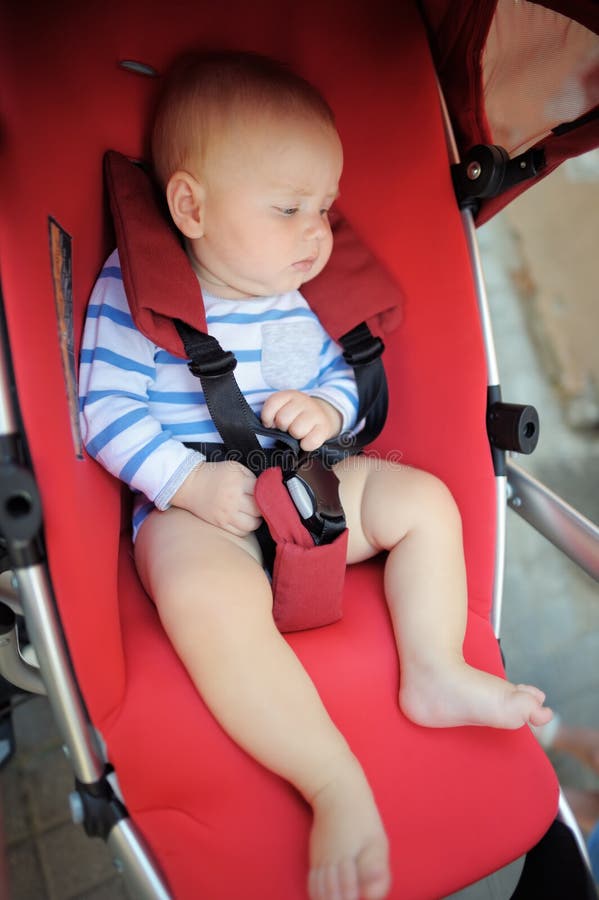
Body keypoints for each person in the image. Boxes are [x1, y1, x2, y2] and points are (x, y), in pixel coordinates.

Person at [79, 51, 553, 900]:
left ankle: (434, 668)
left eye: (326, 208)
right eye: (289, 208)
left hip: (313, 485)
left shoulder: (305, 289)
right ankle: (329, 777)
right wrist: (186, 486)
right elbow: (105, 413)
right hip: (199, 509)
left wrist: (328, 412)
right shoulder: (137, 289)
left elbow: (343, 374)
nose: (315, 232)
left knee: (424, 502)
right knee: (199, 595)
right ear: (189, 206)